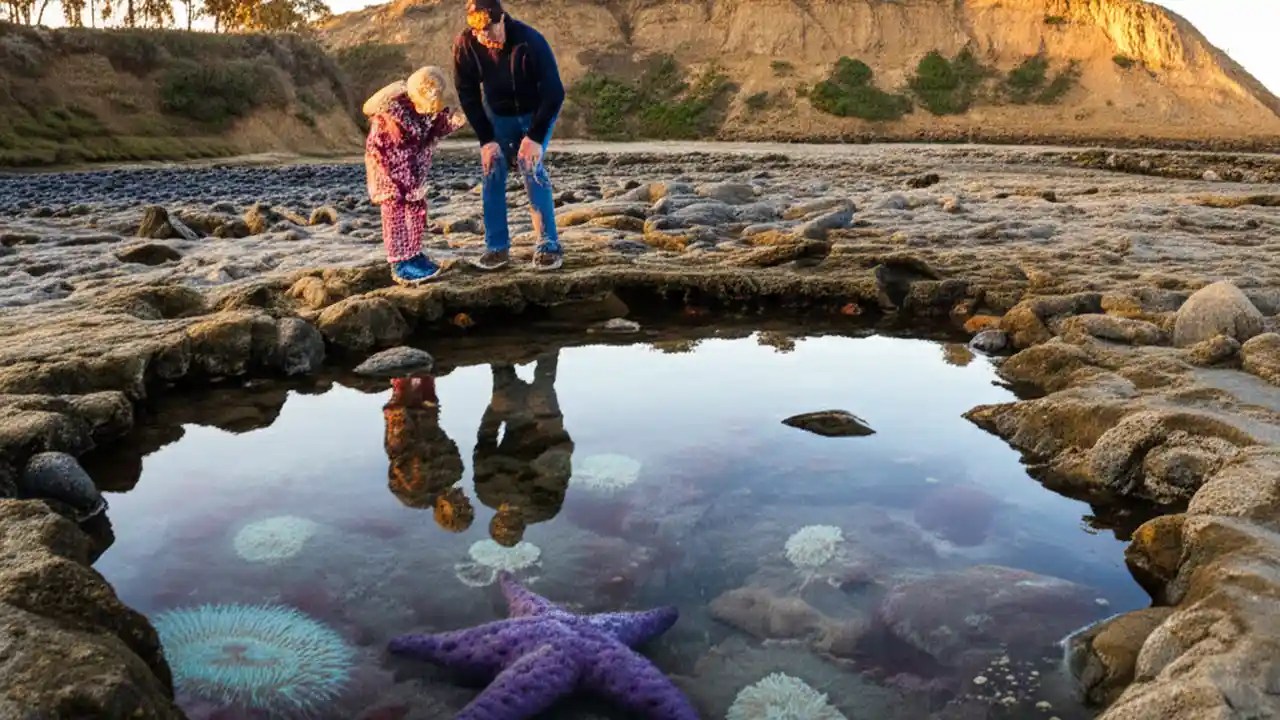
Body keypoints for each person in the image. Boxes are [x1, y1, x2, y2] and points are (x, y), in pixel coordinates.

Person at [452, 0, 566, 272]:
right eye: (478, 33)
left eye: (488, 31)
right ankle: (496, 248)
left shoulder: (530, 41)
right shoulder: (467, 44)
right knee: (492, 170)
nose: (484, 38)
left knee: (531, 167)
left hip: (534, 112)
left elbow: (554, 93)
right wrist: (486, 140)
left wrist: (535, 137)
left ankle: (548, 245)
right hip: (497, 115)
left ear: (500, 19)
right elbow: (467, 93)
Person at [363, 68, 467, 286]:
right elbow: (389, 157)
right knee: (396, 217)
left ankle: (414, 253)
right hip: (392, 180)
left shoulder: (420, 112)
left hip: (412, 176)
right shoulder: (391, 119)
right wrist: (401, 185)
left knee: (416, 213)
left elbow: (430, 132)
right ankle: (400, 262)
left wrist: (450, 122)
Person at [472, 352, 574, 546]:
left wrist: (495, 410)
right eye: (512, 525)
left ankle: (499, 334)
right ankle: (549, 334)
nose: (508, 517)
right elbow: (560, 458)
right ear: (521, 527)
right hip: (543, 427)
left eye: (503, 522)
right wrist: (548, 427)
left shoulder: (486, 492)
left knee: (502, 371)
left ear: (495, 519)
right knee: (542, 385)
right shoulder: (545, 508)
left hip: (515, 422)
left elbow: (484, 441)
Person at [383, 375, 475, 533]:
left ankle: (401, 375)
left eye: (461, 507)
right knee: (427, 392)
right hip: (428, 428)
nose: (465, 499)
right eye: (467, 505)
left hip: (405, 438)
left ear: (444, 511)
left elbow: (397, 468)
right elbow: (449, 445)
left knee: (402, 401)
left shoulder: (414, 495)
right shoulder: (455, 473)